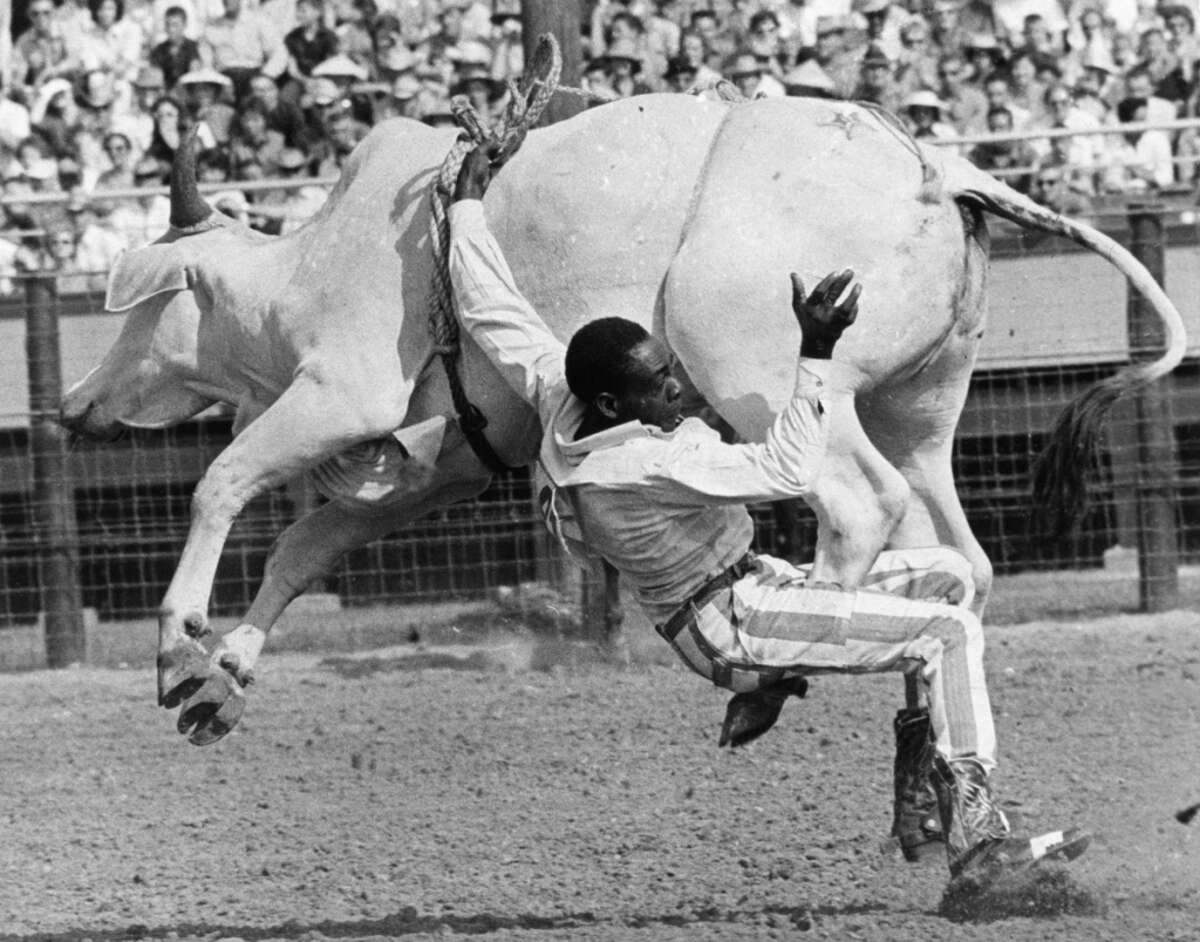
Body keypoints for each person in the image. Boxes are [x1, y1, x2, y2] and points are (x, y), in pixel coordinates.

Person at [445, 145, 1091, 889]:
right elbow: (788, 468)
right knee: (945, 632)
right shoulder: (653, 462)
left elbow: (493, 311)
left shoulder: (565, 393)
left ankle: (927, 807)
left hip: (747, 591)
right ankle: (977, 843)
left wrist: (467, 209)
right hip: (736, 621)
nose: (678, 389)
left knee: (948, 580)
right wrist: (814, 350)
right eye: (660, 384)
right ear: (616, 405)